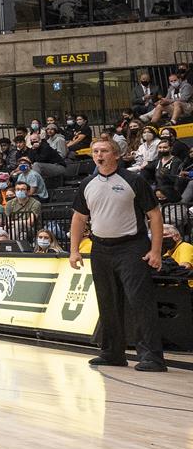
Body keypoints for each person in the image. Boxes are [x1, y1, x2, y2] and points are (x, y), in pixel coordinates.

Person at [68, 135, 166, 371]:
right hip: (100, 249)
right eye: (95, 151)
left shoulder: (134, 180)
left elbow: (154, 215)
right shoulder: (87, 184)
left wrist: (156, 251)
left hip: (132, 247)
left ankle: (152, 356)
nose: (99, 155)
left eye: (104, 151)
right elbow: (79, 218)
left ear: (116, 155)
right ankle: (112, 353)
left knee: (139, 301)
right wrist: (74, 251)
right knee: (107, 301)